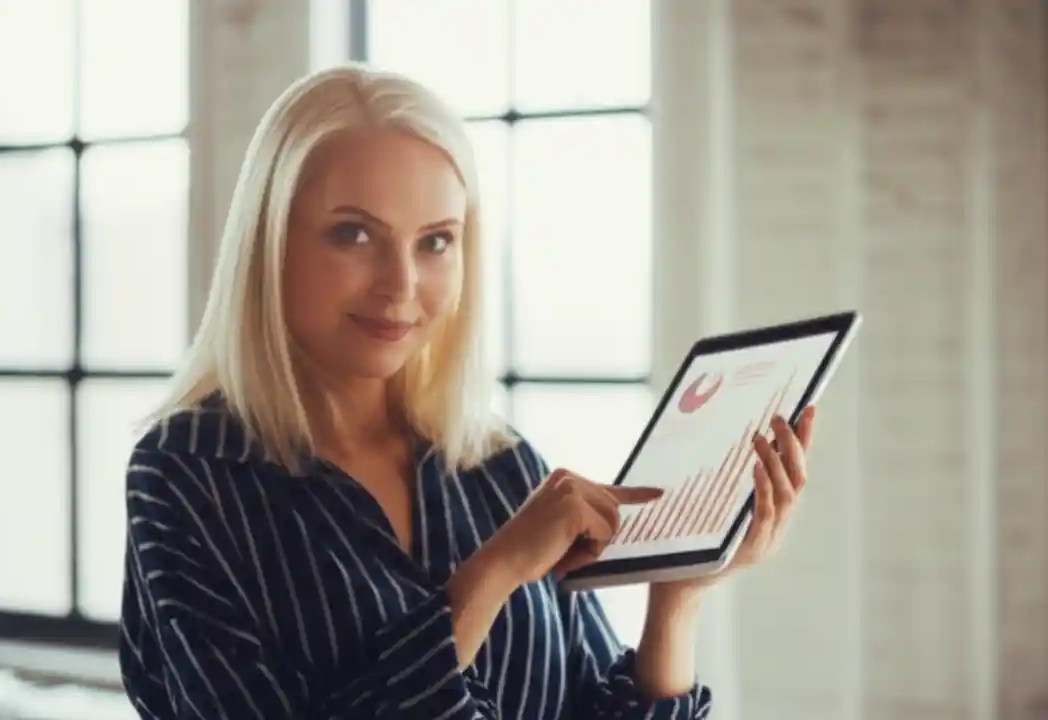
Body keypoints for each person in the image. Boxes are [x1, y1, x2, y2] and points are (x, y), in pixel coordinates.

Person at [118, 64, 818, 719]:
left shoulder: (501, 463)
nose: (401, 286)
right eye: (354, 234)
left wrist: (677, 599)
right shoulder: (186, 472)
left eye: (435, 242)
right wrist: (491, 576)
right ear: (268, 241)